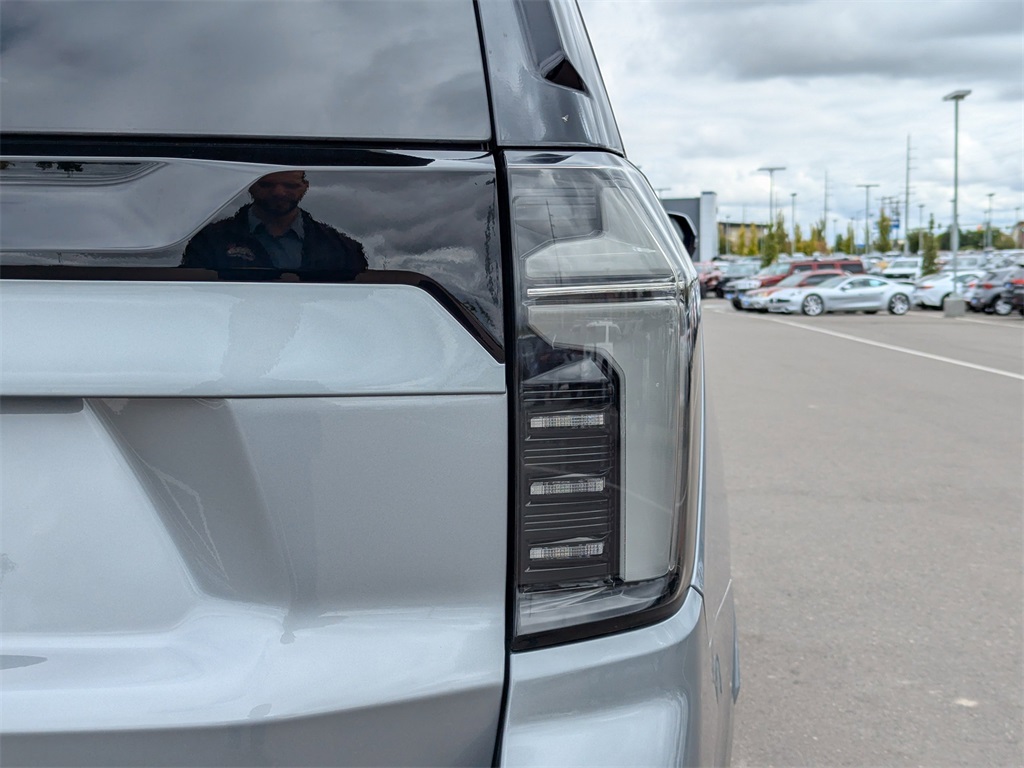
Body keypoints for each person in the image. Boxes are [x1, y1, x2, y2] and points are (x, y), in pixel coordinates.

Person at [181, 170, 367, 277]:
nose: (279, 193)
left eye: (290, 186)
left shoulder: (342, 248)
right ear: (250, 185)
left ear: (305, 187)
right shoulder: (209, 242)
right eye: (267, 185)